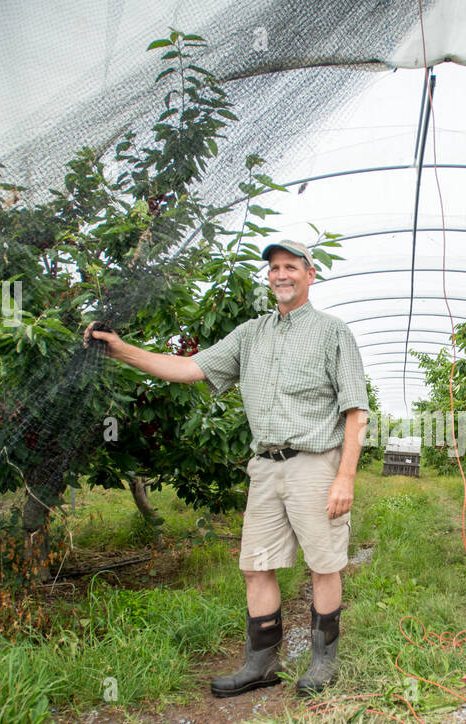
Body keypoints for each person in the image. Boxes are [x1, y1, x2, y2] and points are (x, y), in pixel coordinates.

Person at [84, 239, 369, 697]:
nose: (281, 275)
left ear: (310, 275)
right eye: (274, 268)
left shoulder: (333, 332)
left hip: (315, 465)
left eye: (291, 267)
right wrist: (120, 350)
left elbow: (356, 411)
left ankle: (323, 662)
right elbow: (190, 368)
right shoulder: (249, 334)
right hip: (265, 468)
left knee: (323, 563)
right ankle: (260, 663)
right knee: (256, 565)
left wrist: (345, 477)